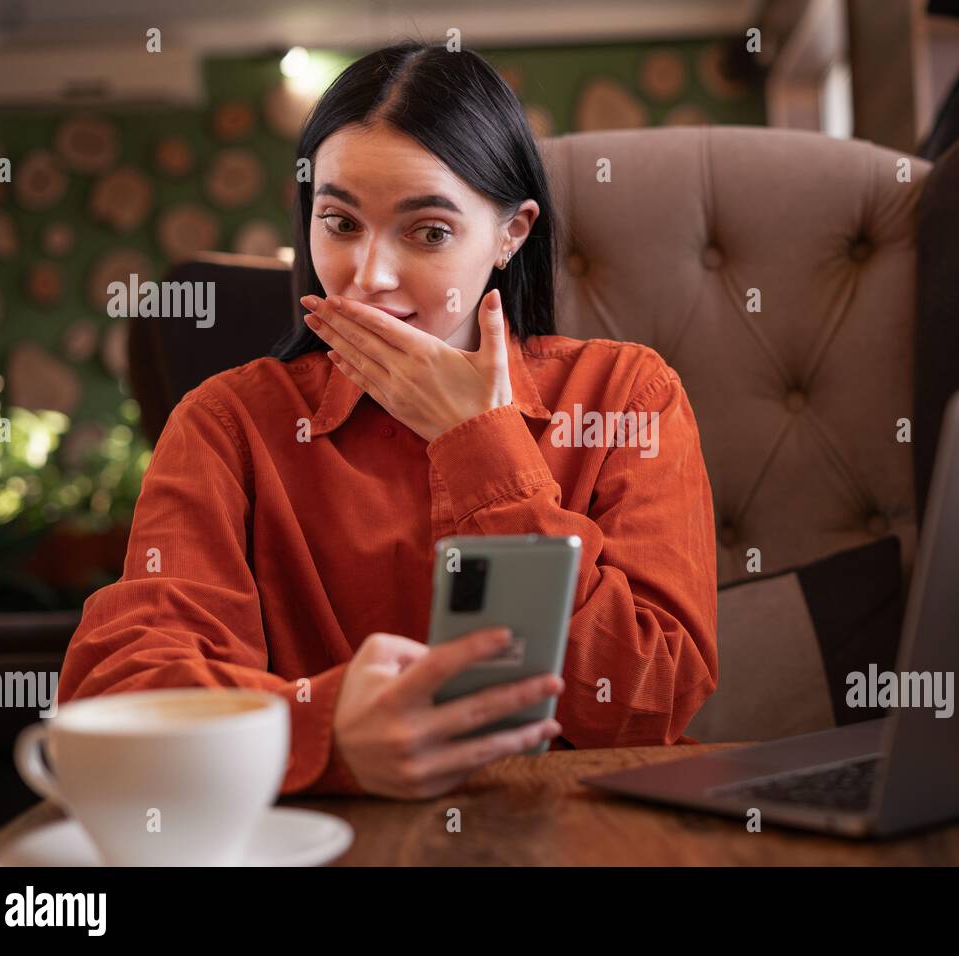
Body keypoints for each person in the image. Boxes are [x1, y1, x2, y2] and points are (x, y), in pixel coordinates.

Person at [58, 40, 719, 800]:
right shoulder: (227, 423)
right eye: (339, 222)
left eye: (428, 231)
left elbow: (649, 702)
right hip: (326, 836)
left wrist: (481, 448)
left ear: (512, 233)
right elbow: (120, 695)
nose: (368, 276)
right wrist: (323, 731)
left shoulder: (625, 396)